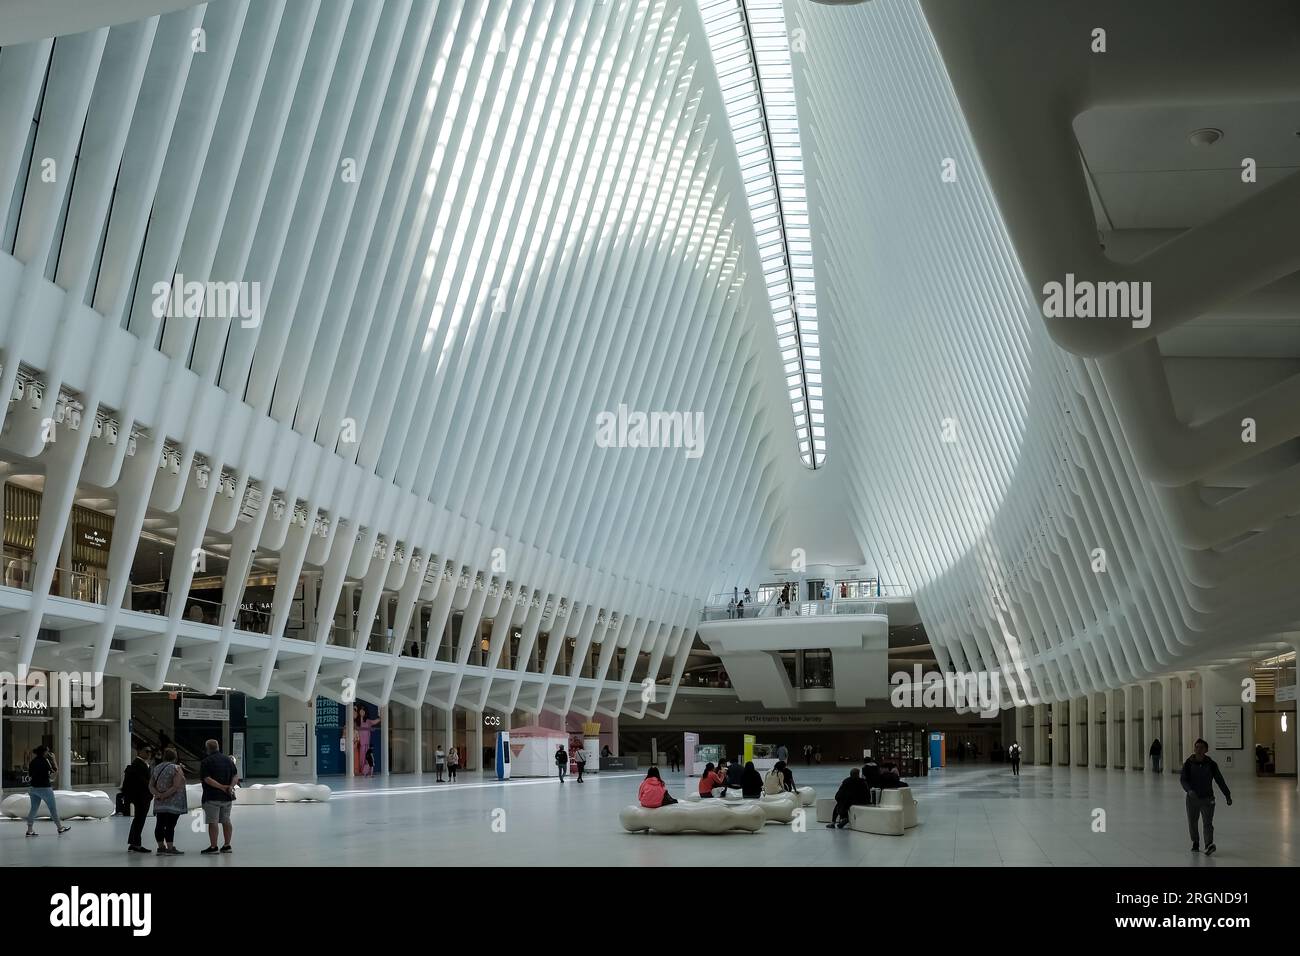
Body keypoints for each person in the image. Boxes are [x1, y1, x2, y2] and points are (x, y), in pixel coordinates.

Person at [1181, 738, 1232, 855]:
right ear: (1194, 749)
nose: (1199, 750)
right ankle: (1195, 842)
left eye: (1201, 748)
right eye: (1197, 747)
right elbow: (1183, 779)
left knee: (1208, 822)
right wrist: (1188, 790)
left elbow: (1220, 780)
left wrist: (1227, 795)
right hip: (1192, 799)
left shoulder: (1211, 765)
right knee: (1192, 822)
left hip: (1207, 799)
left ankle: (1209, 844)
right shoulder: (1188, 763)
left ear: (1206, 750)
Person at [199, 739, 238, 855]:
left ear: (207, 749)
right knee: (226, 820)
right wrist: (230, 787)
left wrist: (221, 787)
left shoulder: (206, 761)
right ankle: (227, 845)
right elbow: (235, 776)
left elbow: (207, 779)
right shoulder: (228, 760)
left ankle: (213, 846)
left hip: (211, 797)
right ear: (218, 747)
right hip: (227, 797)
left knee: (213, 822)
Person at [25, 745, 71, 837]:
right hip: (45, 788)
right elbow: (55, 771)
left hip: (33, 788)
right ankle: (60, 828)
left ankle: (29, 830)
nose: (48, 753)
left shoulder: (32, 762)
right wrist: (53, 759)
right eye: (47, 751)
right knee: (53, 809)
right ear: (44, 752)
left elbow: (30, 775)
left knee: (33, 809)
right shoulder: (45, 761)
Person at [149, 747, 187, 854]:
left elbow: (151, 785)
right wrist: (164, 795)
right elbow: (176, 786)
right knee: (170, 825)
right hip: (173, 803)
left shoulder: (156, 768)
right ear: (175, 758)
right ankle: (170, 848)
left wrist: (158, 794)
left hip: (159, 803)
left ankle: (161, 847)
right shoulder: (176, 768)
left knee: (160, 824)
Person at [123, 745, 154, 852]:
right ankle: (135, 844)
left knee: (138, 820)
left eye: (150, 752)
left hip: (142, 797)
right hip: (141, 797)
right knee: (139, 820)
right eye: (147, 751)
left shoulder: (142, 764)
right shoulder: (138, 764)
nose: (149, 754)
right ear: (140, 752)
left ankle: (134, 843)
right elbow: (143, 782)